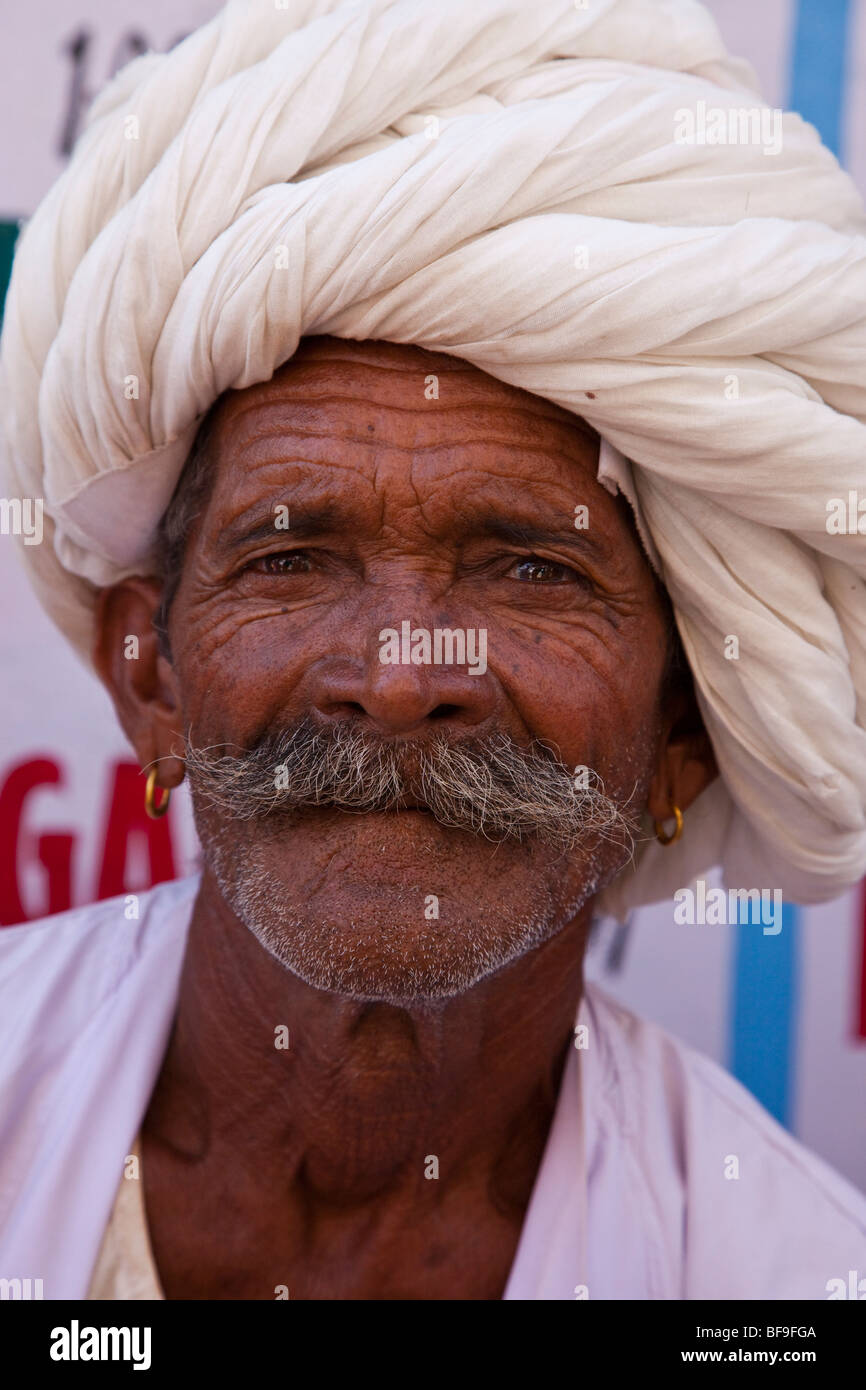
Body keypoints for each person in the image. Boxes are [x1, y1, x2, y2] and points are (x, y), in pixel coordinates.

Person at [0, 0, 865, 1301]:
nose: (397, 677)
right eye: (290, 557)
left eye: (530, 567)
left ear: (685, 719)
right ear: (150, 676)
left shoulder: (780, 1281)